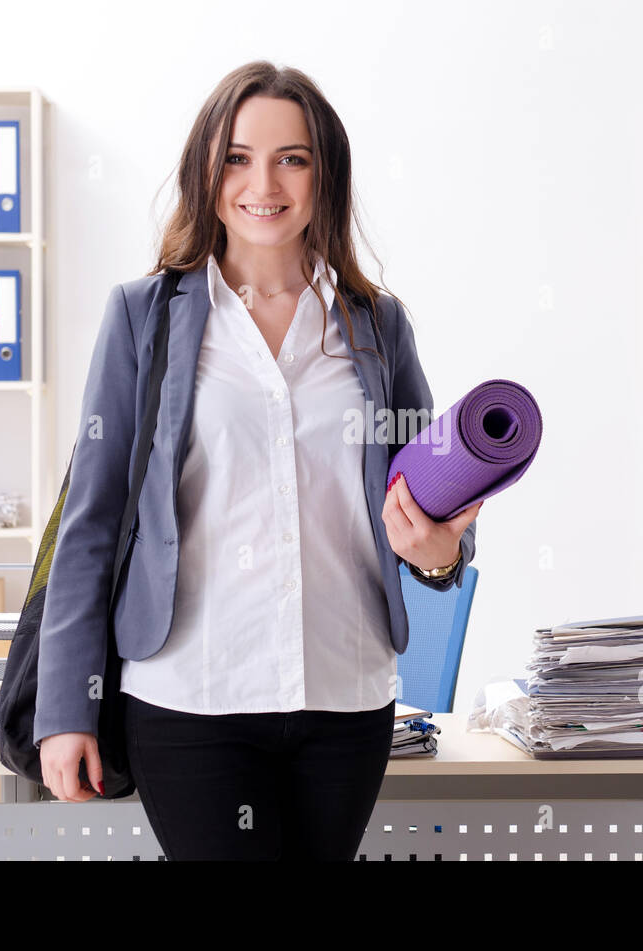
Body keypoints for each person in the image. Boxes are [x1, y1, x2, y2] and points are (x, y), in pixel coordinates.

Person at [34, 61, 479, 860]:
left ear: (324, 176)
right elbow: (92, 521)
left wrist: (443, 554)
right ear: (206, 172)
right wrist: (65, 705)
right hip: (190, 695)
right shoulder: (144, 318)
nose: (262, 182)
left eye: (292, 158)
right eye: (237, 157)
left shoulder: (378, 327)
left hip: (346, 699)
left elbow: (433, 503)